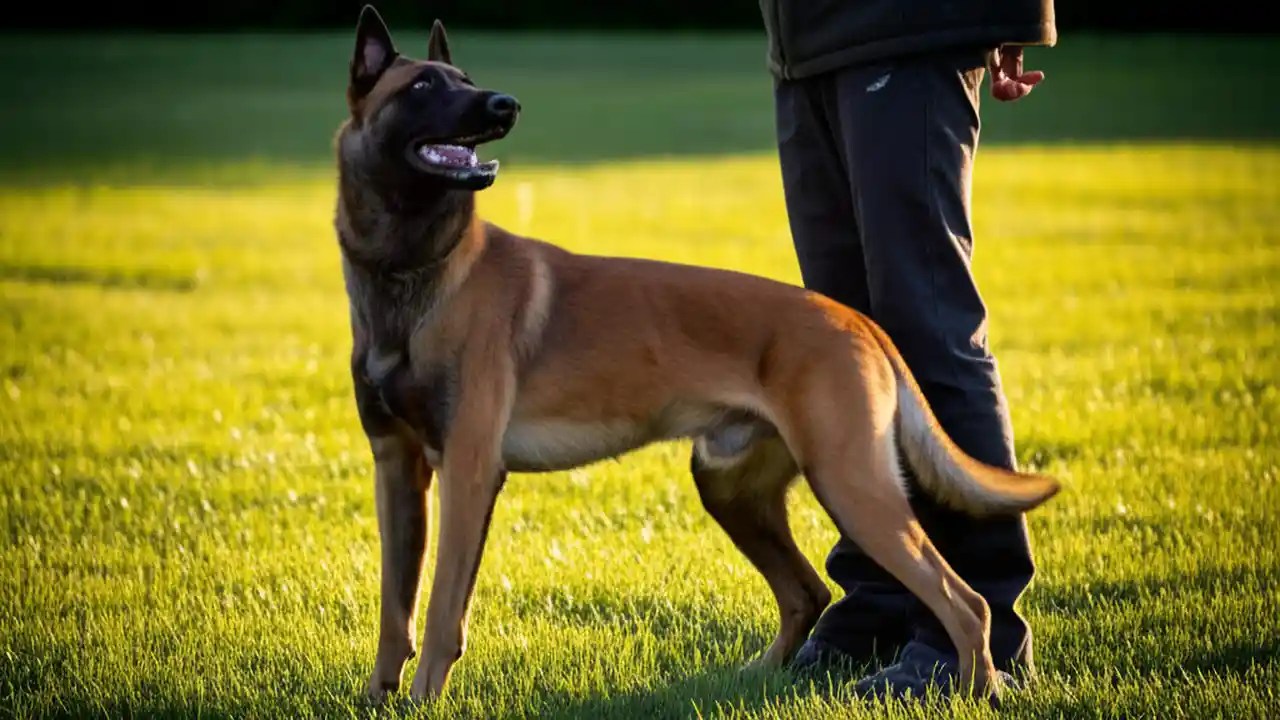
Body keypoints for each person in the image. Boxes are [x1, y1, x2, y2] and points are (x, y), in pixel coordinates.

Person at [756, 0, 1057, 699]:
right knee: (849, 350)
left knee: (928, 329)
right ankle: (887, 595)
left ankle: (983, 630)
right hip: (804, 47)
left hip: (909, 25)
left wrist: (1016, 13)